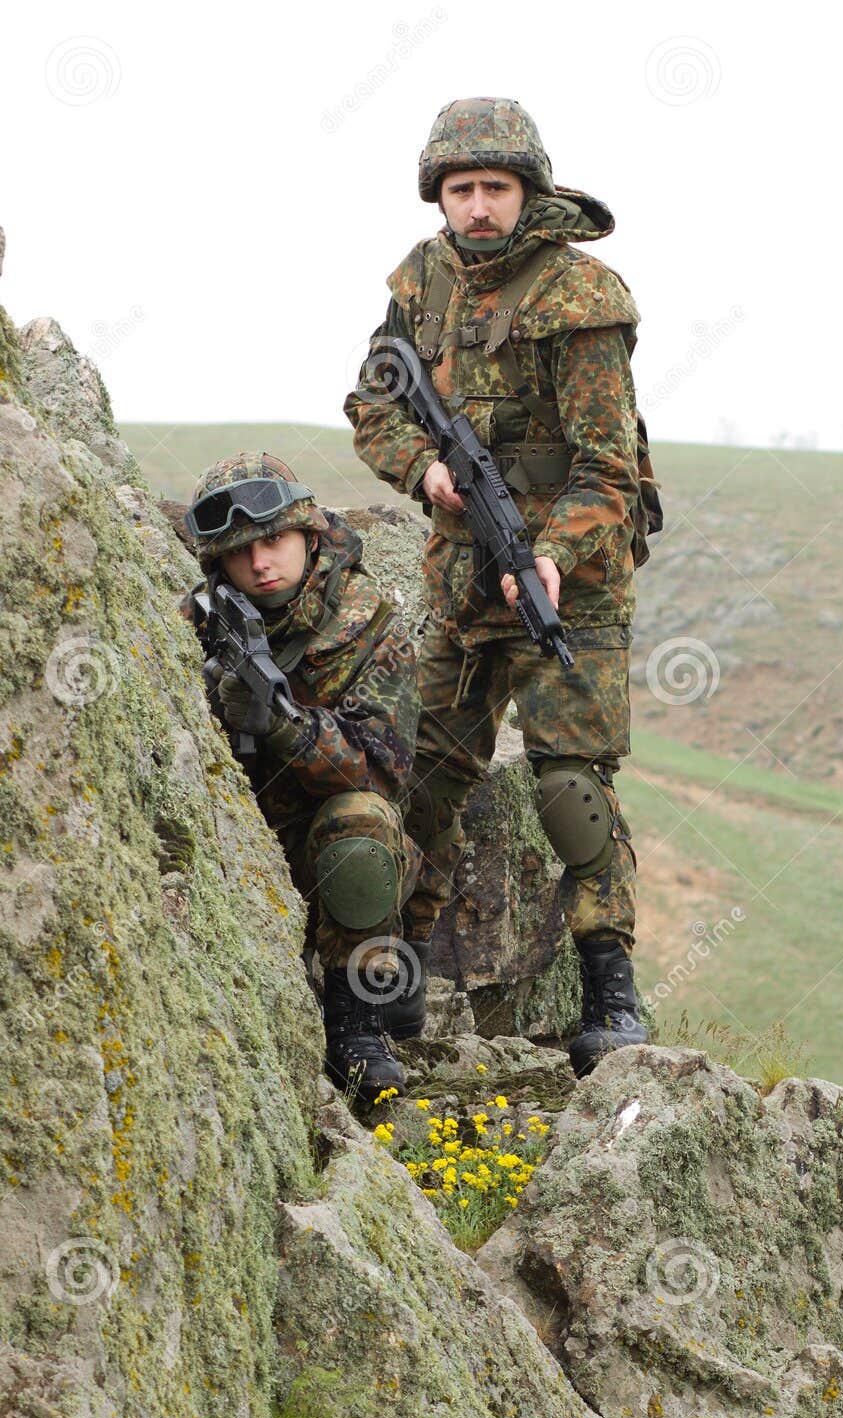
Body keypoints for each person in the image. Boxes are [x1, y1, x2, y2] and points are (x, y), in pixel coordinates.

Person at [344, 96, 650, 1076]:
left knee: (568, 784)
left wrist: (551, 555)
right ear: (440, 195)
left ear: (529, 190)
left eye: (496, 188)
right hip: (457, 569)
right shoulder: (421, 282)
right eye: (460, 189)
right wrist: (423, 472)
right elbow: (374, 405)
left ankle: (609, 990)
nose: (477, 206)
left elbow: (609, 470)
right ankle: (375, 987)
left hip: (573, 578)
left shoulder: (580, 295)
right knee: (421, 777)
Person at [181, 452, 420, 1103]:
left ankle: (358, 1028)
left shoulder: (367, 622)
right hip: (237, 841)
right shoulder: (199, 623)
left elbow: (382, 768)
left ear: (308, 536)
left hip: (330, 845)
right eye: (239, 553)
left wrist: (281, 723)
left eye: (272, 541)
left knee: (360, 822)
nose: (259, 563)